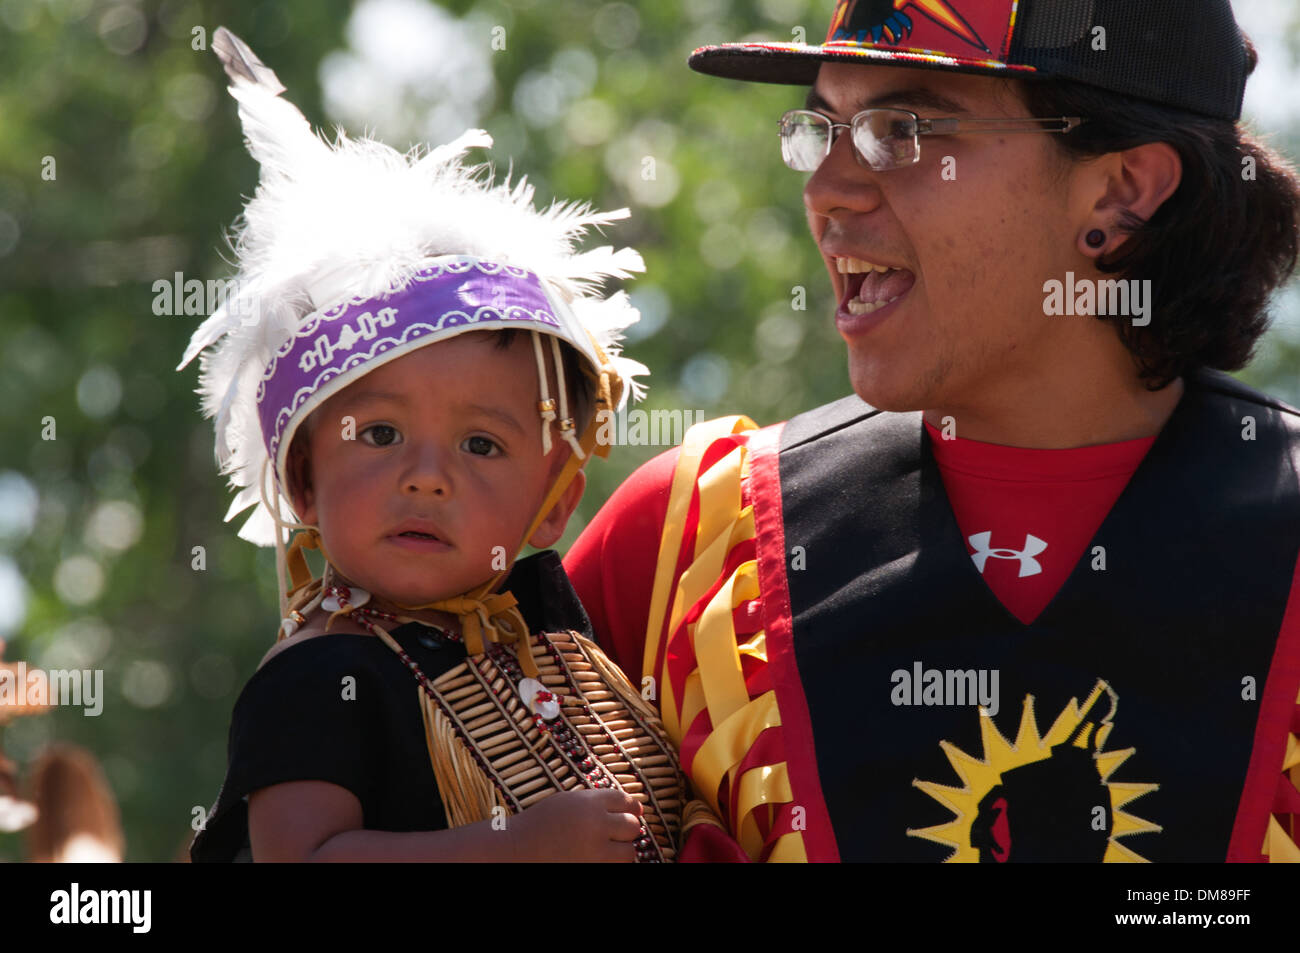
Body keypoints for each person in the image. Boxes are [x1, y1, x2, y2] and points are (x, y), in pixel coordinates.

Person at [565, 0, 1300, 862]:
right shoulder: (686, 550)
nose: (824, 190)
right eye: (822, 128)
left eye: (902, 128)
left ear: (1120, 190)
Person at [185, 29, 683, 863]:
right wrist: (518, 846)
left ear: (557, 501)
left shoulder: (570, 652)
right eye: (378, 434)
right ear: (305, 482)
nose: (426, 479)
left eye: (482, 445)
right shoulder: (317, 678)